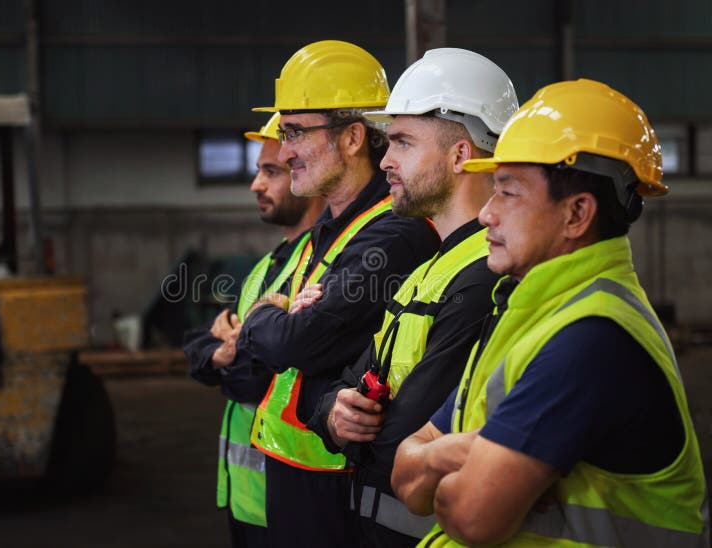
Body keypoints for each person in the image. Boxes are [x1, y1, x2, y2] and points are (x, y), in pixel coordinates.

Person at [392, 79, 710, 548]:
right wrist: (460, 451)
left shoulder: (592, 340)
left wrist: (437, 461)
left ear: (576, 214)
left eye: (508, 192)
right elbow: (405, 476)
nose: (486, 214)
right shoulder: (525, 313)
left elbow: (470, 517)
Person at [304, 48, 519, 547]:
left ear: (460, 155)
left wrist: (352, 431)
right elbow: (335, 393)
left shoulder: (483, 279)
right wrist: (336, 413)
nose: (385, 161)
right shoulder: (428, 270)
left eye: (402, 142)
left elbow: (399, 440)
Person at [237, 40, 440, 547]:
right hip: (298, 469)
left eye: (295, 133)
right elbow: (285, 341)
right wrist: (279, 323)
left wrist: (266, 312)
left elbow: (293, 344)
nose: (284, 153)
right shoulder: (329, 228)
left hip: (335, 482)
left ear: (352, 137)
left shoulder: (390, 236)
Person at [183, 112, 325, 548]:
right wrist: (224, 352)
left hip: (291, 500)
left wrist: (232, 354)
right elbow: (200, 347)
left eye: (271, 172)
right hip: (248, 498)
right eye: (257, 172)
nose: (256, 185)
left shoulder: (319, 265)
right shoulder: (268, 266)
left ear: (307, 175)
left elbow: (255, 375)